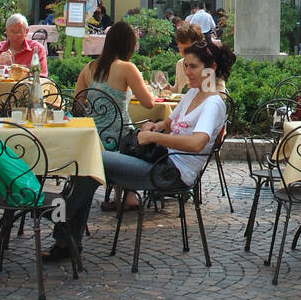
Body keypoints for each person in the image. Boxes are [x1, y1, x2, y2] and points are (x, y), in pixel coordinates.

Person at [101, 39, 234, 197]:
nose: (187, 72)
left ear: (212, 68)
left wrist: (153, 137)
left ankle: (72, 216)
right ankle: (73, 217)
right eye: (186, 65)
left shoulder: (213, 103)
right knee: (90, 163)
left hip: (173, 173)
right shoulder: (193, 93)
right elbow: (168, 124)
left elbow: (197, 143)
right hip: (160, 160)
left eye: (193, 66)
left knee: (94, 158)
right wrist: (154, 126)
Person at [73, 21, 158, 213]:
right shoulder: (127, 68)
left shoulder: (89, 67)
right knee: (143, 135)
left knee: (131, 132)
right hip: (117, 136)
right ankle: (130, 195)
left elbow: (78, 101)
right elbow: (149, 103)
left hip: (93, 135)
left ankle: (120, 196)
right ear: (129, 46)